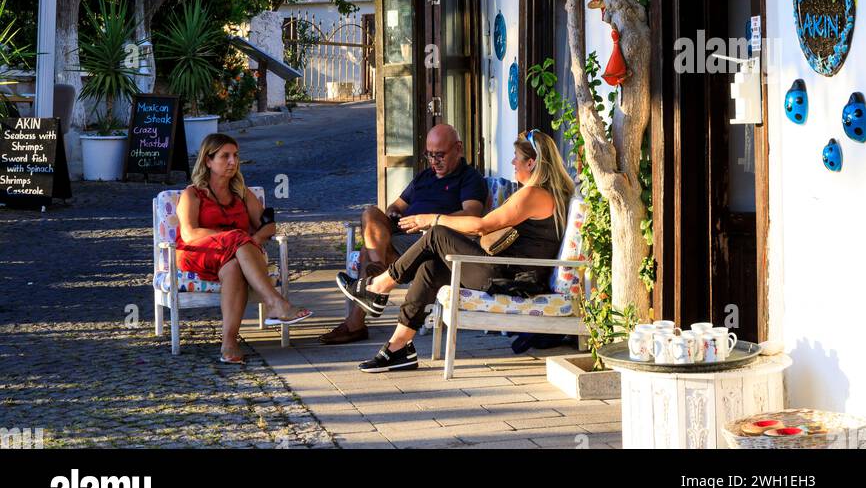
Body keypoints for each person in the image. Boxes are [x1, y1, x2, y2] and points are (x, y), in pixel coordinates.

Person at [340, 129, 574, 373]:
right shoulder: (539, 194)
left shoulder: (533, 194)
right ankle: (398, 348)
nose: (512, 162)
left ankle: (379, 287)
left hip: (511, 277)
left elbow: (481, 225)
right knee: (431, 267)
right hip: (506, 268)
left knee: (437, 234)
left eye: (516, 157)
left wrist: (434, 218)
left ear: (532, 162)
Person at [322, 123, 486, 345]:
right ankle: (377, 274)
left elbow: (471, 213)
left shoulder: (469, 178)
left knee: (365, 253)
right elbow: (397, 205)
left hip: (430, 240)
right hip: (402, 234)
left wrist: (428, 220)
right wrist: (392, 213)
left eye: (440, 155)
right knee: (370, 213)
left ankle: (356, 322)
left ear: (458, 148)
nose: (434, 161)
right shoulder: (424, 177)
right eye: (429, 155)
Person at [176, 133, 312, 363]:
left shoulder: (241, 193)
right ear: (208, 161)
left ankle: (229, 343)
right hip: (198, 253)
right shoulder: (193, 193)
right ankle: (275, 303)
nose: (233, 161)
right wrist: (234, 237)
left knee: (233, 267)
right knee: (238, 240)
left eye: (235, 156)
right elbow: (189, 233)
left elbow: (269, 226)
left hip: (234, 256)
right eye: (225, 156)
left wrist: (254, 239)